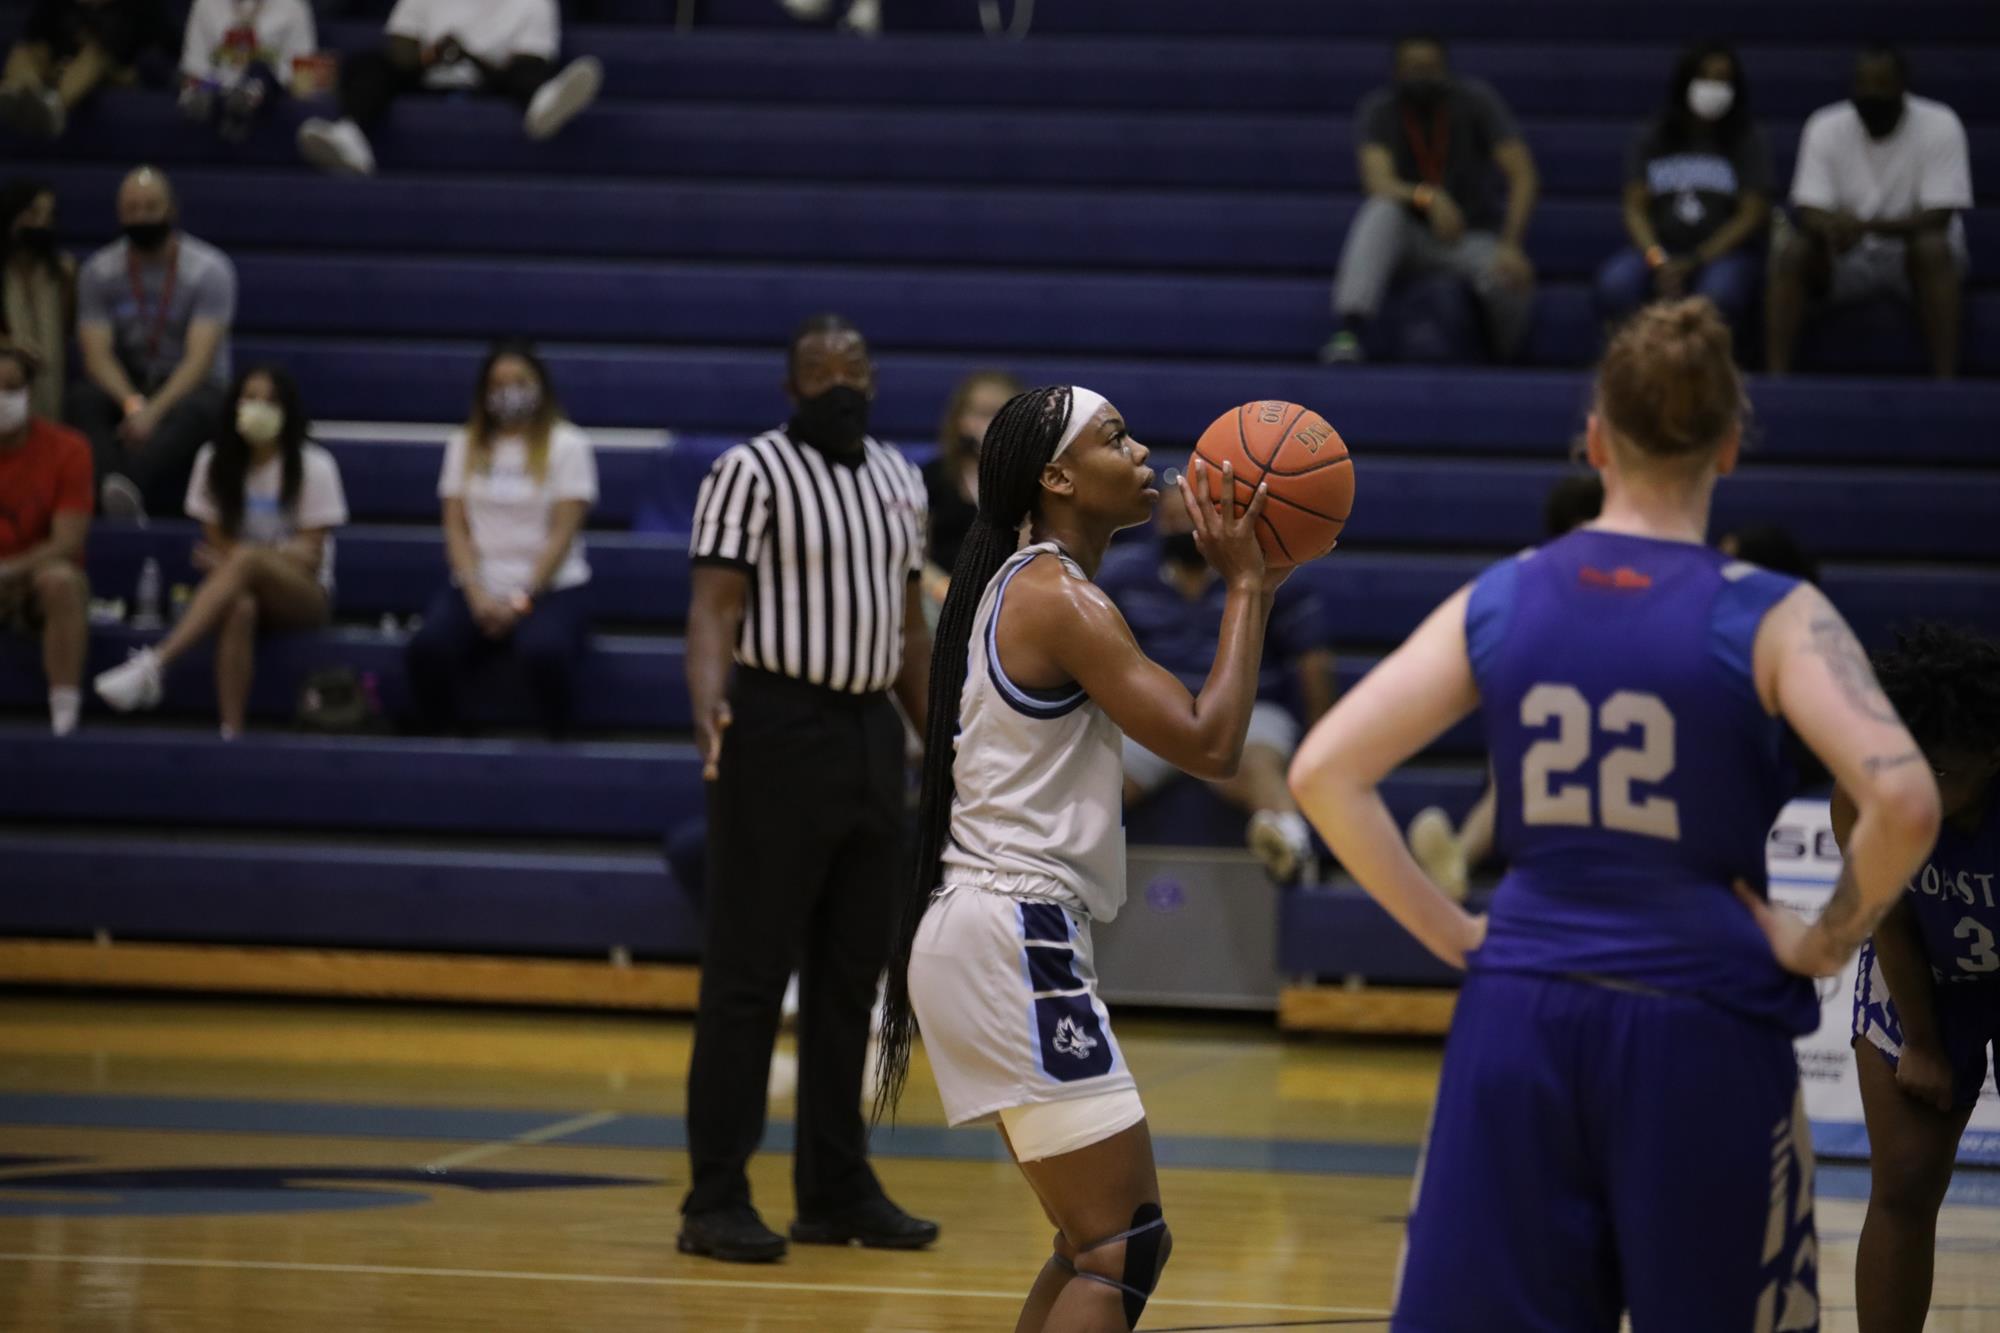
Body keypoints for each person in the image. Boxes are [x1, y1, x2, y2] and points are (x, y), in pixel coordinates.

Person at [1288, 298, 1942, 1331]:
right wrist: (1824, 941)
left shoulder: (1502, 596)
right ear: (1729, 445)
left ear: (1593, 439)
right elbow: (1902, 797)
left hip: (1522, 1010)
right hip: (1700, 1019)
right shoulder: (1769, 611)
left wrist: (1455, 933)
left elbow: (1322, 768)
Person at [872, 388, 1283, 1332]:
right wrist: (1251, 586)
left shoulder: (1029, 583)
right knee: (1121, 1242)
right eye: (1115, 438)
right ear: (1057, 478)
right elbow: (1211, 743)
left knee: (1096, 1241)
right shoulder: (1056, 594)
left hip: (995, 930)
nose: (1143, 451)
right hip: (1010, 933)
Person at [678, 314, 935, 1264]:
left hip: (874, 733)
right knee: (749, 975)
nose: (840, 382)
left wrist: (942, 739)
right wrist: (709, 703)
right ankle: (714, 1195)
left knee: (850, 983)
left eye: (854, 366)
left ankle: (834, 1187)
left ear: (874, 377)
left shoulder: (901, 478)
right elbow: (715, 607)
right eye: (819, 371)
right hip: (777, 727)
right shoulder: (748, 472)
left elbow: (909, 632)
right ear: (791, 389)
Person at [1842, 623, 2000, 1333]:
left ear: (1992, 755)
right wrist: (1926, 1041)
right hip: (1923, 966)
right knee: (1904, 1180)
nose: (1920, 787)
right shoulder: (1868, 787)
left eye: (1942, 772)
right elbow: (1888, 917)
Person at [93, 365, 347, 738]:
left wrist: (251, 559)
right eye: (250, 398)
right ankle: (231, 732)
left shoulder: (315, 464)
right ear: (234, 406)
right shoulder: (212, 461)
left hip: (304, 595)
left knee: (246, 559)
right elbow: (214, 543)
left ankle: (156, 663)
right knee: (241, 604)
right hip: (237, 588)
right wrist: (271, 554)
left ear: (288, 411)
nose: (259, 407)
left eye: (270, 401)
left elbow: (311, 557)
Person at [1101, 478, 1334, 885]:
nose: (1176, 528)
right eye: (1168, 519)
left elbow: (1312, 661)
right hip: (1154, 716)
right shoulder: (1124, 574)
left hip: (1249, 710)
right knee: (1098, 784)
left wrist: (1320, 745)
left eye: (1187, 519)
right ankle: (1066, 866)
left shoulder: (1266, 573)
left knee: (1261, 766)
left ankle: (1293, 852)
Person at [1407, 470, 1603, 899]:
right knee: (1517, 767)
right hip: (1549, 754)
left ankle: (1462, 857)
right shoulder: (1526, 597)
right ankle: (1459, 857)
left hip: (1618, 759)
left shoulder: (1646, 599)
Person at [404, 344, 596, 737]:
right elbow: (456, 527)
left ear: (540, 386)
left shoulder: (569, 445)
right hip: (478, 583)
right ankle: (445, 746)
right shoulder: (464, 443)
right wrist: (476, 594)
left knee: (545, 653)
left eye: (519, 382)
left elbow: (563, 533)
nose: (509, 392)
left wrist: (521, 599)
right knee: (427, 650)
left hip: (551, 587)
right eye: (499, 384)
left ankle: (563, 748)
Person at [1322, 33, 1538, 365]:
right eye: (1413, 68)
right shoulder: (1381, 109)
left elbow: (1522, 173)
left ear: (1446, 70)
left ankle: (1505, 357)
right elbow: (1377, 180)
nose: (1421, 75)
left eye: (1430, 67)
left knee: (1508, 276)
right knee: (1380, 212)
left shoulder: (1476, 101)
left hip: (1471, 235)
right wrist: (1427, 196)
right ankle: (1350, 328)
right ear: (1396, 72)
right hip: (1410, 237)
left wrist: (1512, 244)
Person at [1767, 45, 1973, 379]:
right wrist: (1832, 229)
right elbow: (1808, 210)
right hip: (1848, 257)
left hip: (1912, 260)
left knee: (1933, 247)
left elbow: (1939, 215)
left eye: (1881, 84)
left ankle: (1946, 381)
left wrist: (1863, 226)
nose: (1871, 94)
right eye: (1863, 84)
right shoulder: (1826, 125)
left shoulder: (1940, 123)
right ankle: (1777, 380)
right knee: (1794, 250)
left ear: (1902, 86)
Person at [72, 166, 236, 520]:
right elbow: (97, 356)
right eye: (132, 208)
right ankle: (117, 488)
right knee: (83, 399)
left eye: (150, 206)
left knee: (206, 408)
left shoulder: (210, 270)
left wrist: (153, 413)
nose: (141, 216)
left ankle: (123, 484)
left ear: (171, 209)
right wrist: (133, 406)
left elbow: (200, 360)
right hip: (129, 384)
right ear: (119, 214)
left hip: (189, 387)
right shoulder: (98, 272)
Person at [296, 0, 602, 177]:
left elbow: (533, 58)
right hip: (427, 73)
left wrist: (472, 59)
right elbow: (398, 48)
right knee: (368, 64)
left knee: (528, 73)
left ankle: (542, 103)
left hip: (495, 80)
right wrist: (432, 55)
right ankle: (351, 134)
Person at [1596, 42, 1772, 345]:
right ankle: (1635, 368)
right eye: (1706, 78)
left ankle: (1710, 377)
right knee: (1616, 283)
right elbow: (1635, 208)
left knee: (1720, 292)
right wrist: (1657, 260)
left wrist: (1697, 258)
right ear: (1686, 82)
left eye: (1723, 81)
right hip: (1660, 251)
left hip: (1723, 254)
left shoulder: (1746, 139)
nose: (1714, 88)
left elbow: (1751, 214)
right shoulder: (1655, 136)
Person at [0, 340, 90, 736]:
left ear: (30, 394)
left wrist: (8, 569)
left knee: (62, 581)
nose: (2, 400)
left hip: (32, 578)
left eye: (11, 389)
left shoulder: (68, 449)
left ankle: (64, 717)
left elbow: (68, 540)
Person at [922, 369, 1022, 604]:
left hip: (1013, 596)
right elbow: (914, 556)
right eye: (980, 413)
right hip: (943, 597)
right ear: (960, 420)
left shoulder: (1034, 479)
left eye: (1001, 413)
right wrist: (943, 590)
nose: (990, 424)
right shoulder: (934, 477)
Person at [0, 0, 169, 139]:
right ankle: (19, 93)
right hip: (57, 72)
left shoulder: (139, 7)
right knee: (24, 52)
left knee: (94, 55)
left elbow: (168, 55)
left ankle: (53, 106)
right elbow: (35, 40)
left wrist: (139, 72)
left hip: (113, 76)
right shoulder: (55, 5)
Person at [178, 0, 319, 142]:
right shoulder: (205, 4)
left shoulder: (293, 6)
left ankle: (249, 95)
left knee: (260, 72)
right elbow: (195, 64)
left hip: (270, 89)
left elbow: (302, 70)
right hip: (217, 86)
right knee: (199, 86)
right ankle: (212, 100)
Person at [1, 179, 75, 423]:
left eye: (48, 215)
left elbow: (68, 330)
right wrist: (10, 346)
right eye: (33, 213)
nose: (41, 223)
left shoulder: (62, 274)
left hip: (51, 386)